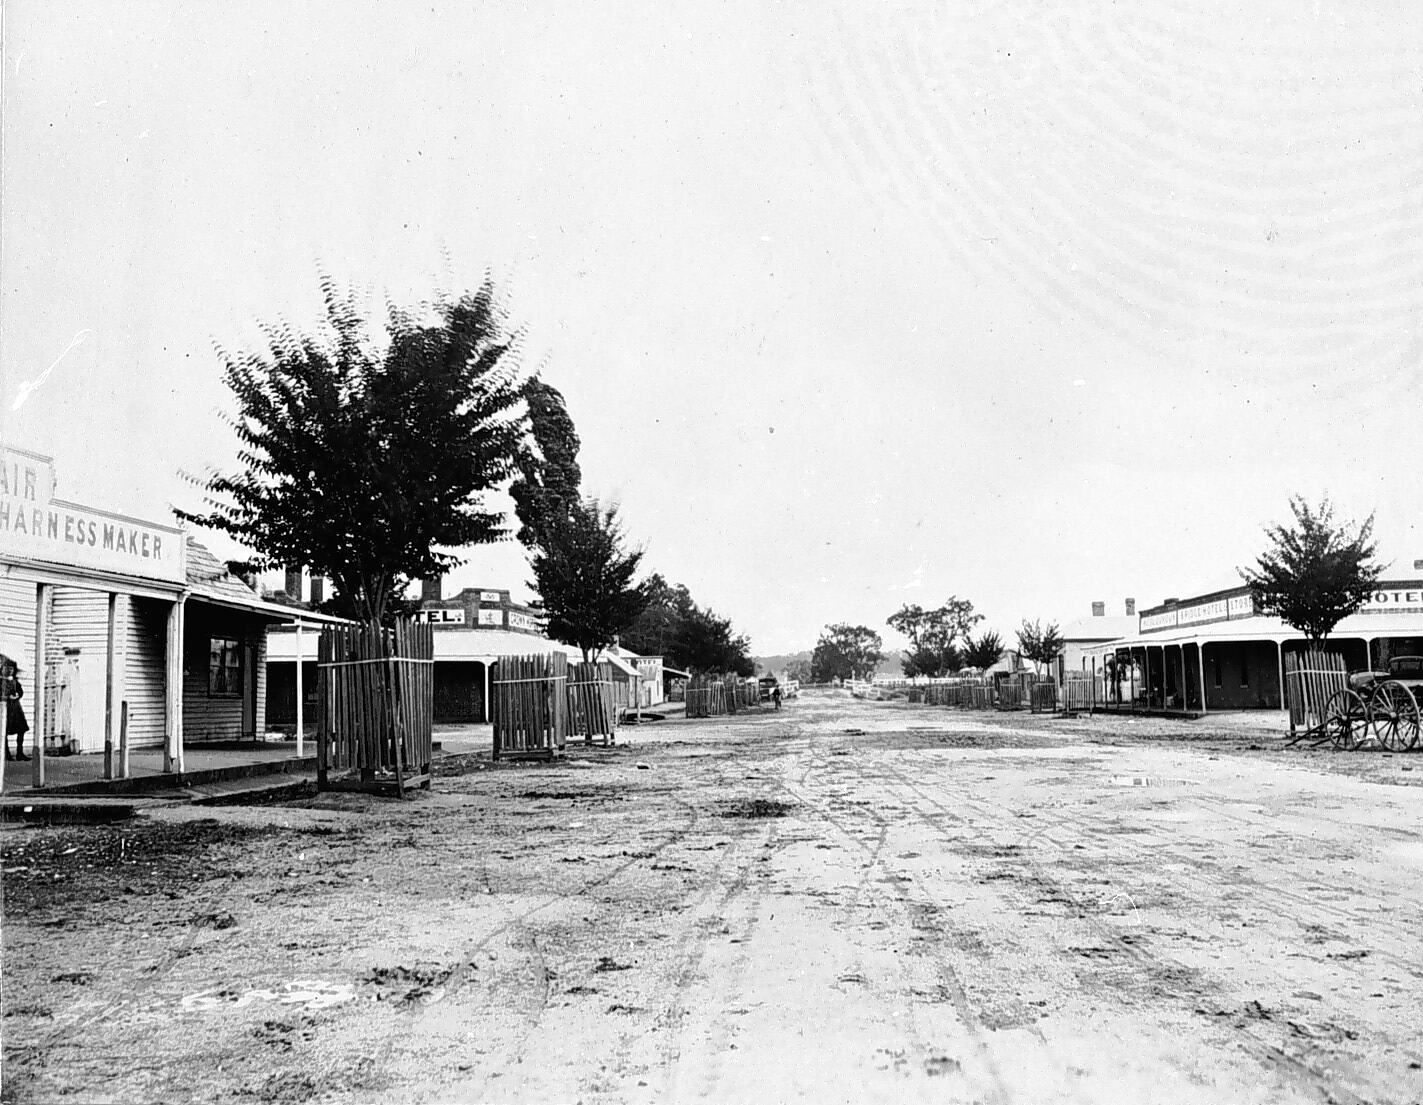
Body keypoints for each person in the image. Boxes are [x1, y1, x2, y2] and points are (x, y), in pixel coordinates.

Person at [4, 658, 30, 761]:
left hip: (16, 709)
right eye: (8, 668)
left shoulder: (15, 681)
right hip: (6, 709)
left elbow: (21, 692)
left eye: (12, 669)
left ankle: (20, 753)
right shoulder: (2, 681)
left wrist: (17, 695)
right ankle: (7, 754)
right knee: (4, 731)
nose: (10, 670)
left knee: (21, 729)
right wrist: (7, 697)